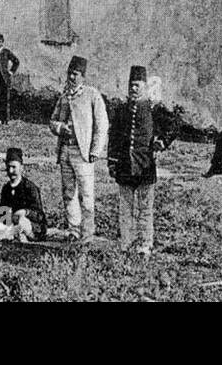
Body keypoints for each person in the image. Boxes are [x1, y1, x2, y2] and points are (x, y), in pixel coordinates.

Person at [108, 65, 174, 255]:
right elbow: (113, 137)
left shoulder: (154, 109)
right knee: (125, 209)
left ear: (145, 87)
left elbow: (173, 125)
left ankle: (145, 244)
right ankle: (126, 243)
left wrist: (162, 141)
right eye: (131, 86)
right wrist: (112, 162)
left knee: (145, 209)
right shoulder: (122, 110)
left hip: (145, 166)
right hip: (125, 166)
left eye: (137, 86)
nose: (134, 89)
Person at [48, 55, 108, 242]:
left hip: (83, 154)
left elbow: (102, 125)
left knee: (86, 193)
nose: (71, 78)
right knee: (68, 192)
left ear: (83, 76)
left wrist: (95, 151)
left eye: (75, 74)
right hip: (65, 150)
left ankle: (87, 232)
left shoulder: (92, 95)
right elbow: (52, 121)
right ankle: (74, 230)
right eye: (69, 74)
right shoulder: (64, 96)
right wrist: (60, 128)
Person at [0, 147, 47, 242]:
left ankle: (10, 235)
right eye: (8, 167)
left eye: (14, 167)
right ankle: (11, 235)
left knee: (22, 222)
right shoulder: (6, 188)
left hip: (30, 226)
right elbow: (3, 213)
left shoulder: (30, 187)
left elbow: (40, 215)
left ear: (21, 168)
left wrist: (26, 212)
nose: (11, 171)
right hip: (10, 225)